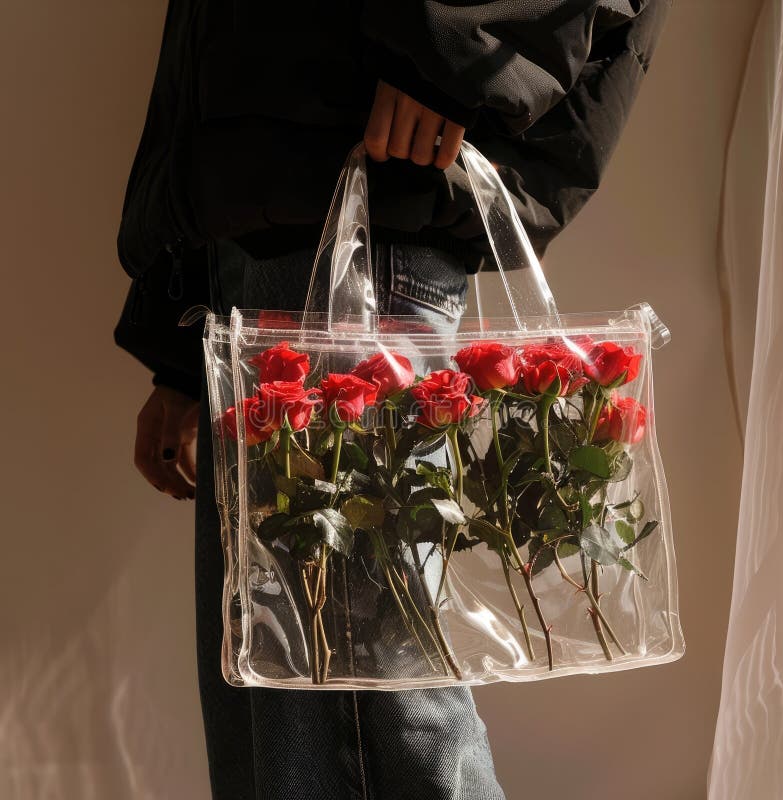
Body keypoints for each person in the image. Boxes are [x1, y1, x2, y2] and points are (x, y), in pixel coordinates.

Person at [114, 2, 670, 798]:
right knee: (273, 718)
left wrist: (445, 61)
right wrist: (173, 340)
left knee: (367, 727)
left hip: (369, 198)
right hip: (246, 238)